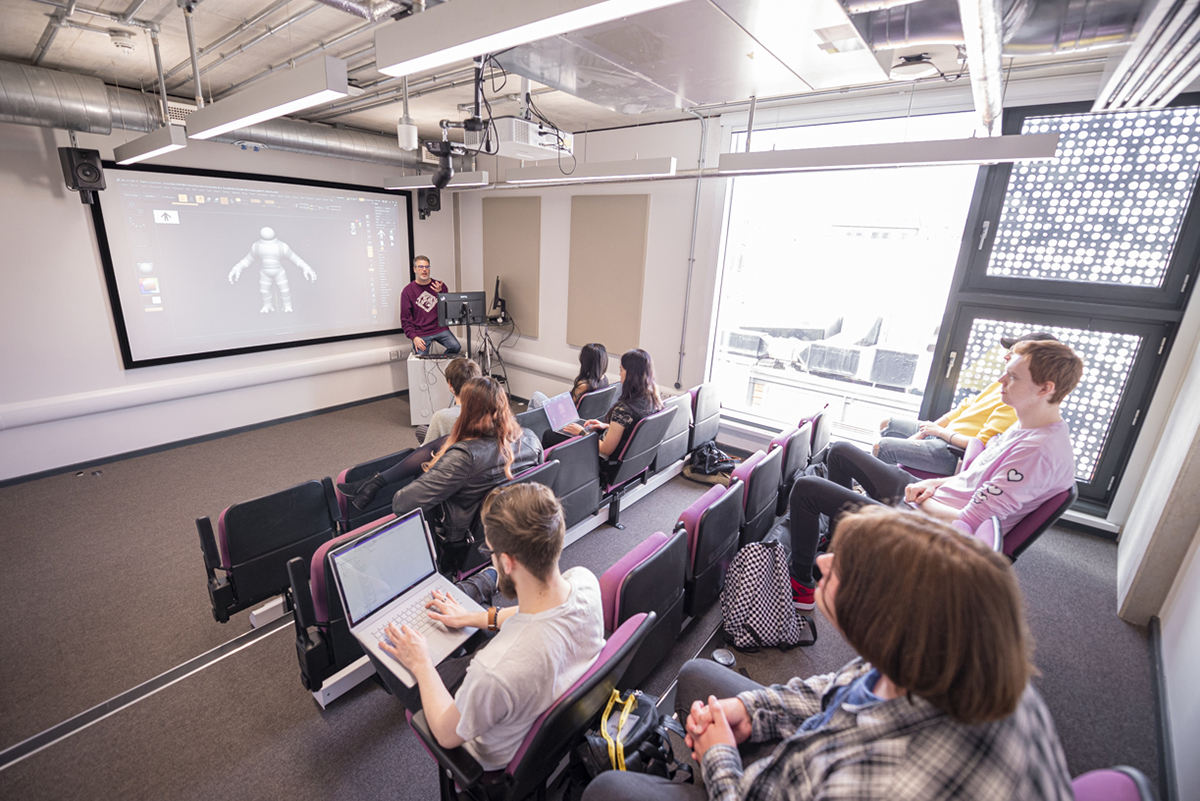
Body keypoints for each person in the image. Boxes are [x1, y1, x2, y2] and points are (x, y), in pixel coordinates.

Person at [582, 506, 1073, 801]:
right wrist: (755, 711)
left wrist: (719, 758)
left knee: (608, 791)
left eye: (843, 569)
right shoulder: (942, 648)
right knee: (696, 675)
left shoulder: (886, 782)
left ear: (880, 620)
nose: (820, 561)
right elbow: (838, 690)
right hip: (815, 762)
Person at [786, 339, 1084, 610]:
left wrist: (921, 497)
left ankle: (802, 589)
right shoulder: (1025, 424)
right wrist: (933, 483)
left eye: (1013, 377)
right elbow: (975, 475)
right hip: (931, 498)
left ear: (1045, 389)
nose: (1001, 380)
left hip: (932, 525)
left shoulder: (1037, 452)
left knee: (807, 489)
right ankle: (845, 549)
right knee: (840, 452)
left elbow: (968, 523)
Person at [380, 482, 605, 772]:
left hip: (489, 763)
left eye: (491, 550)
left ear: (507, 562)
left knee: (405, 669)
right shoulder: (585, 582)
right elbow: (540, 612)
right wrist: (475, 617)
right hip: (558, 724)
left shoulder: (494, 670)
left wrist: (421, 663)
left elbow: (447, 735)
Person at [338, 378, 541, 567]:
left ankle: (374, 485)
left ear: (467, 411)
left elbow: (402, 503)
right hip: (509, 535)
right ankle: (373, 483)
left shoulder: (464, 457)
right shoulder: (531, 440)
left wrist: (437, 469)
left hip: (462, 545)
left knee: (424, 471)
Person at [874, 332, 1058, 475]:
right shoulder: (1002, 382)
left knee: (883, 447)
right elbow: (964, 407)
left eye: (1014, 351)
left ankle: (875, 499)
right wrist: (926, 431)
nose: (1006, 356)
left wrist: (938, 432)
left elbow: (981, 445)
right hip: (942, 435)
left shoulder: (1019, 399)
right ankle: (884, 478)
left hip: (952, 451)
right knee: (887, 424)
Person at [563, 348, 664, 459]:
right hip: (634, 461)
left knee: (553, 439)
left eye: (621, 370)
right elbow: (631, 431)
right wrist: (607, 427)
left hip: (603, 462)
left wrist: (581, 432)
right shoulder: (652, 400)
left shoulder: (624, 410)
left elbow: (605, 450)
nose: (619, 374)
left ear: (630, 375)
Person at [400, 255, 461, 356]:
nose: (424, 270)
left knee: (455, 346)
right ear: (414, 269)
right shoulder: (407, 291)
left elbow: (447, 309)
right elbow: (405, 319)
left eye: (427, 267)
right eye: (421, 267)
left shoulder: (439, 286)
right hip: (420, 332)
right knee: (420, 360)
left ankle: (441, 368)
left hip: (439, 328)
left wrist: (440, 293)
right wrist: (414, 337)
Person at [418, 357, 482, 444]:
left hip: (451, 452)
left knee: (422, 432)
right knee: (421, 430)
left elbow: (426, 454)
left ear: (450, 384)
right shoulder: (490, 413)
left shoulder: (441, 417)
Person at [528, 342, 610, 409]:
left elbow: (571, 408)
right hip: (584, 420)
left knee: (536, 396)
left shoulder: (584, 385)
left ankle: (522, 428)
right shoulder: (604, 380)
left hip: (566, 418)